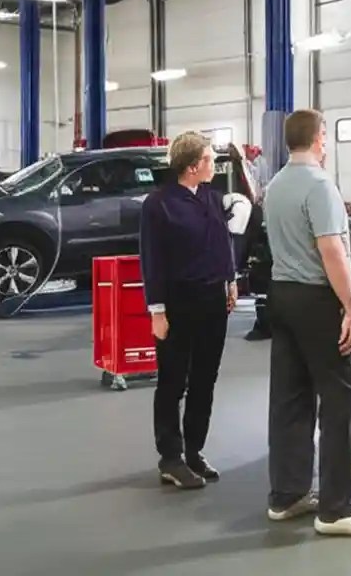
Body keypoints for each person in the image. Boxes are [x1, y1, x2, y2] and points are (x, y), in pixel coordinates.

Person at [262, 110, 351, 537]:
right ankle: (338, 508)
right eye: (326, 137)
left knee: (290, 398)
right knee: (338, 398)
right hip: (316, 300)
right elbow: (332, 251)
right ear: (318, 139)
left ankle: (287, 494)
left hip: (282, 296)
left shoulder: (276, 185)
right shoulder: (320, 186)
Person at [139, 132, 239, 490]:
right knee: (173, 381)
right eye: (210, 158)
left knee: (204, 379)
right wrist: (157, 311)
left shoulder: (211, 198)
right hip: (177, 302)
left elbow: (223, 241)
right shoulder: (158, 205)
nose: (215, 164)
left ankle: (194, 450)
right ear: (194, 165)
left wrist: (231, 280)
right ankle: (170, 457)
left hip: (213, 299)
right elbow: (152, 259)